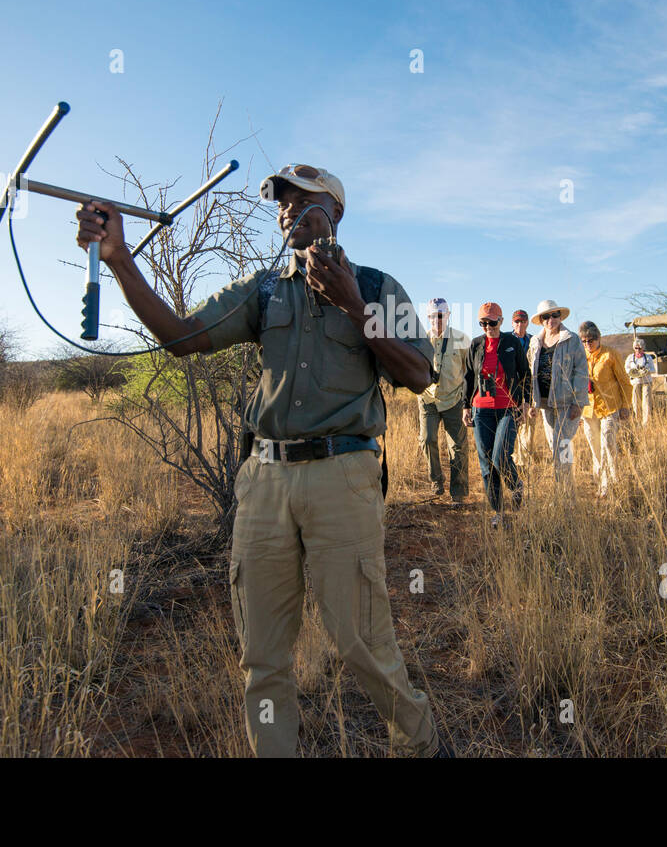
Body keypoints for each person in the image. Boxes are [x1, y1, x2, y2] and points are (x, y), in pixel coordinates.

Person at [76, 163, 445, 756]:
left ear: (336, 212)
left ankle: (421, 744)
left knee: (360, 640)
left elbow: (419, 373)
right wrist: (119, 257)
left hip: (342, 476)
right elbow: (181, 336)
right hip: (264, 482)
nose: (287, 210)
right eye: (281, 202)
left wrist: (353, 305)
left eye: (303, 200)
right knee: (264, 653)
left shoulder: (378, 287)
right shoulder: (264, 288)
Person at [461, 303, 529, 525]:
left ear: (501, 321)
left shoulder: (511, 343)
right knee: (486, 462)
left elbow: (524, 373)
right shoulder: (476, 344)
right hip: (481, 410)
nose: (488, 326)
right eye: (483, 323)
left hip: (508, 407)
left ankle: (516, 485)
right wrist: (465, 406)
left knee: (500, 455)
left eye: (492, 322)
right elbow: (469, 376)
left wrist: (526, 401)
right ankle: (498, 513)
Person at [526, 299, 588, 477]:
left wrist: (578, 402)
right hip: (545, 403)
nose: (551, 319)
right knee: (554, 443)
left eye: (555, 315)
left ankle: (566, 490)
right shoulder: (535, 341)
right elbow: (531, 371)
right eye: (546, 316)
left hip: (567, 403)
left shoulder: (571, 339)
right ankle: (560, 490)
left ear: (560, 317)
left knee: (564, 444)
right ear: (541, 319)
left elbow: (581, 371)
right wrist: (532, 402)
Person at [419, 298, 471, 502]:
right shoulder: (421, 340)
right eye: (432, 316)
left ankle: (458, 493)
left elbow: (469, 372)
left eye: (440, 316)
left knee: (457, 446)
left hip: (454, 399)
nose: (436, 320)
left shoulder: (461, 339)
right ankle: (436, 481)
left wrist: (467, 401)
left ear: (447, 316)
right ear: (428, 317)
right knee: (427, 439)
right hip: (427, 399)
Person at [578, 322, 632, 497]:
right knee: (594, 446)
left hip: (610, 406)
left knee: (607, 443)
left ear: (598, 337)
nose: (588, 344)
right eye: (584, 341)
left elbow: (624, 381)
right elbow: (576, 384)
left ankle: (607, 484)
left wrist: (626, 406)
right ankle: (601, 475)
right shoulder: (580, 356)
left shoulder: (610, 355)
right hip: (588, 409)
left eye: (591, 340)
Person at [509, 309, 537, 467]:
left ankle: (523, 463)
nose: (520, 324)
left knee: (529, 428)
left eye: (523, 321)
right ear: (512, 323)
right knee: (512, 427)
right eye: (517, 321)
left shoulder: (534, 341)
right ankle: (511, 460)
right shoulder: (505, 340)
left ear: (527, 323)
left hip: (529, 389)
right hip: (511, 390)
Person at [624, 337, 657, 426]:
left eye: (640, 348)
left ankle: (646, 423)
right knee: (636, 402)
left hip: (647, 381)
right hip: (635, 382)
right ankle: (637, 422)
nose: (638, 350)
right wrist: (633, 372)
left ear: (643, 348)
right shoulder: (630, 357)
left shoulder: (648, 357)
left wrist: (646, 371)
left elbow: (653, 369)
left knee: (646, 402)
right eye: (636, 348)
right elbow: (626, 368)